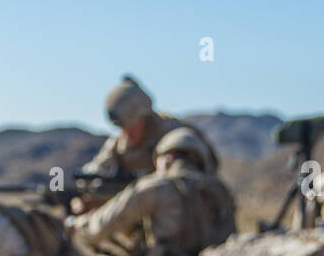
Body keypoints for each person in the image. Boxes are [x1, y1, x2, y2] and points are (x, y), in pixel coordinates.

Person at [66, 127, 236, 256]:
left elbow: (101, 226)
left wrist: (75, 224)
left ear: (168, 157)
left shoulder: (157, 186)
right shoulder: (220, 189)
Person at [77, 76, 220, 215]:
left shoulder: (176, 135)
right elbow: (95, 171)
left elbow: (200, 180)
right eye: (122, 127)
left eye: (130, 125)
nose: (126, 132)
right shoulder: (120, 144)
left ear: (144, 116)